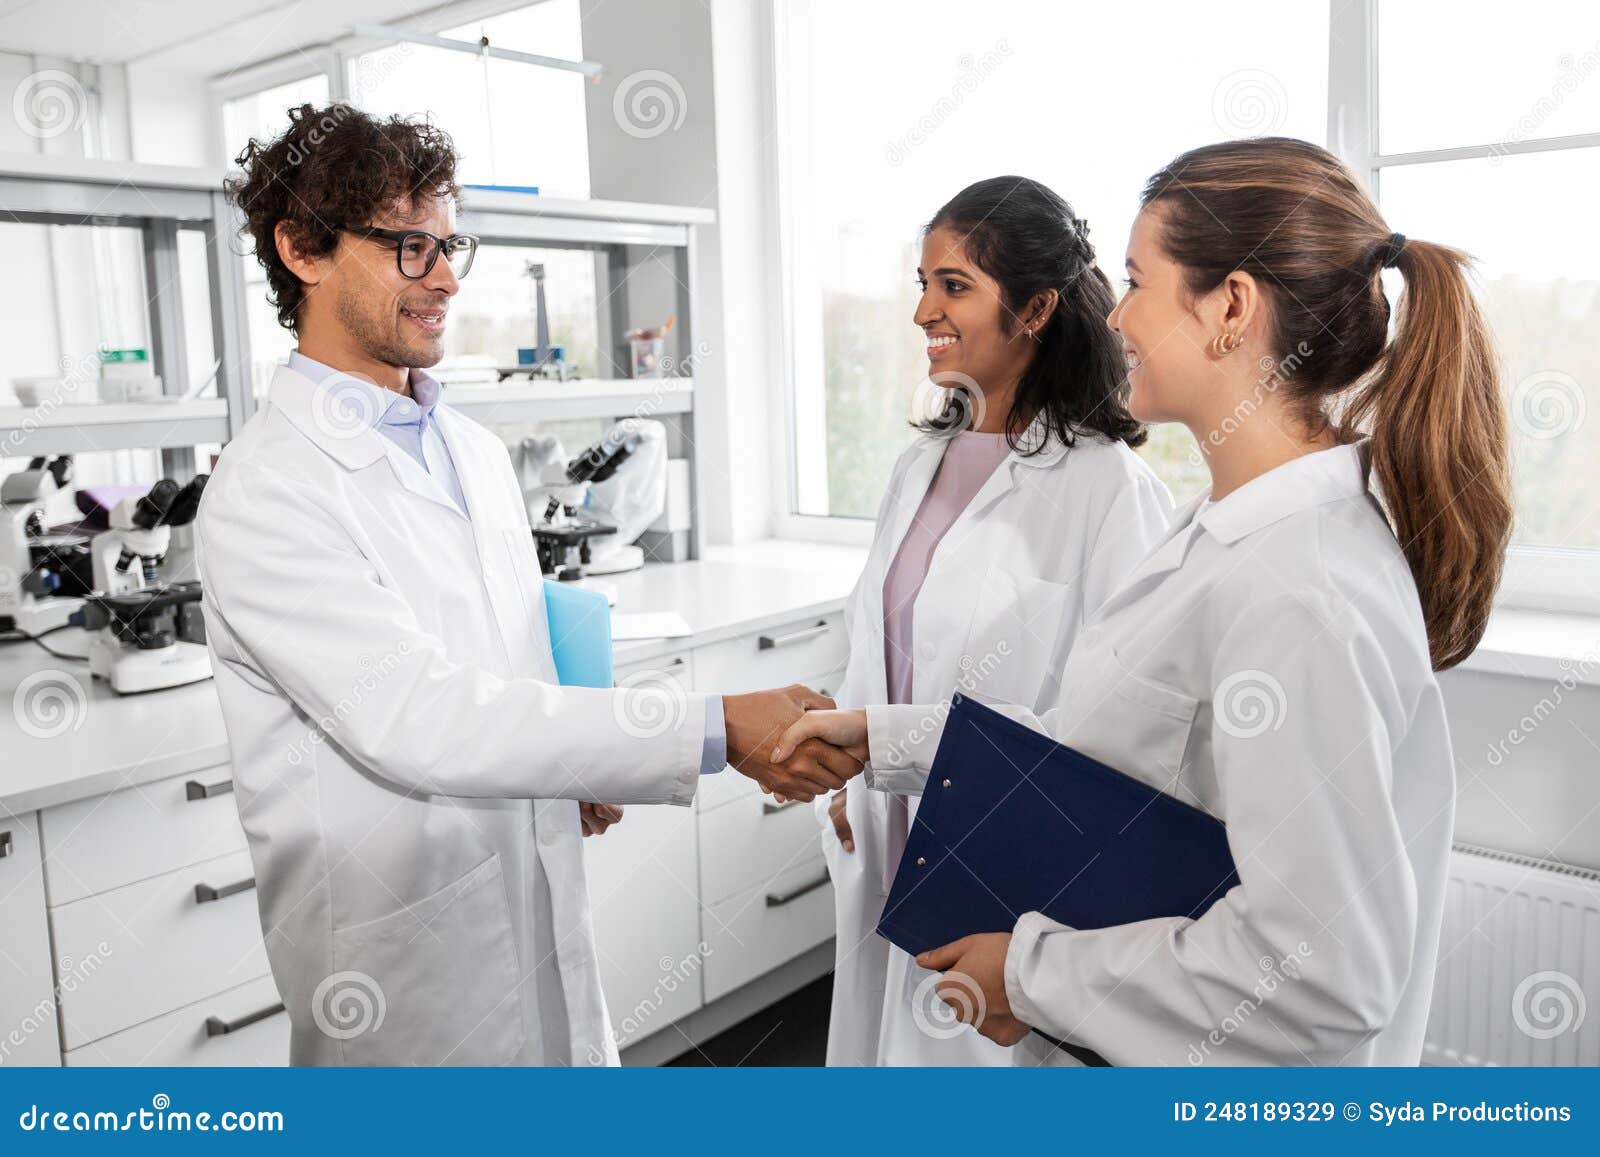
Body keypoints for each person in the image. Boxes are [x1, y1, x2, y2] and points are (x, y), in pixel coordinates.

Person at [776, 137, 1513, 1066]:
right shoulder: (1224, 530)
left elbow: (1325, 975)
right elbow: (1100, 752)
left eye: (1135, 280)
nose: (1114, 313)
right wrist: (885, 741)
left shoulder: (1303, 587)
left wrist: (1032, 976)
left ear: (1231, 308)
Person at [197, 104, 861, 1066]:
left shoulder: (469, 449)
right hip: (402, 974)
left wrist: (580, 758)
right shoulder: (265, 490)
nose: (447, 278)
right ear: (301, 247)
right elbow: (422, 716)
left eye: (450, 243)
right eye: (411, 247)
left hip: (534, 893)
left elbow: (502, 651)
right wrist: (714, 727)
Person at [817, 177, 1171, 1066]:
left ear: (1037, 308)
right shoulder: (919, 464)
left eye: (954, 286)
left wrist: (880, 740)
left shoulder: (1108, 490)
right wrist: (841, 772)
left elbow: (1117, 737)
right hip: (886, 836)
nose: (924, 311)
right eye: (921, 284)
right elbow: (877, 641)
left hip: (1008, 871)